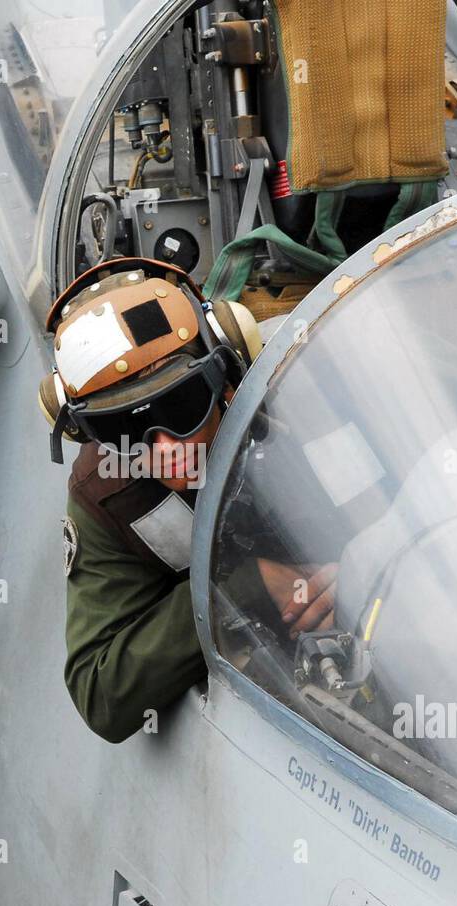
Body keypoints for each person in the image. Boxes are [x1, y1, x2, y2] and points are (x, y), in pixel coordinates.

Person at [39, 258, 336, 742]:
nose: (166, 451)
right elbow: (101, 691)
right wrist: (241, 588)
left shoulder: (317, 386)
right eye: (124, 430)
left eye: (181, 406)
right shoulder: (107, 496)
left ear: (227, 366)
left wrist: (363, 567)